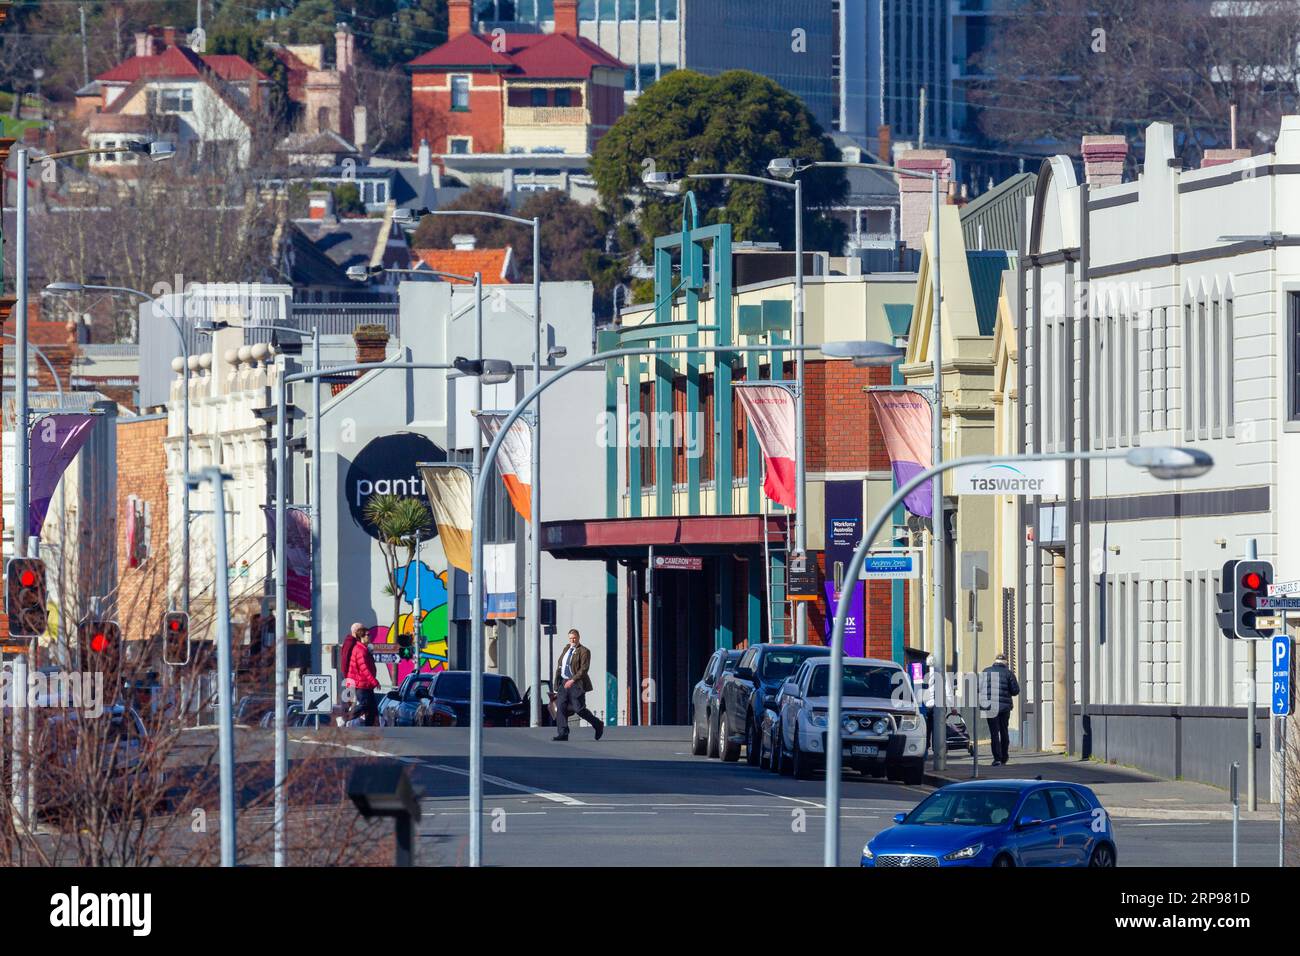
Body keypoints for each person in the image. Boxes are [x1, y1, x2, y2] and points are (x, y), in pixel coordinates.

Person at [552, 628, 603, 741]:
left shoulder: (584, 651)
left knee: (579, 709)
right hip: (564, 683)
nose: (572, 640)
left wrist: (573, 680)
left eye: (574, 638)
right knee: (560, 707)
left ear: (578, 637)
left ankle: (597, 724)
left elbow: (584, 669)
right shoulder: (566, 649)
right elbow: (560, 667)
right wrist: (557, 686)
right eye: (570, 638)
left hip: (576, 683)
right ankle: (563, 733)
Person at [981, 653, 1020, 766]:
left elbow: (979, 688)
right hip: (1004, 707)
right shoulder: (1009, 673)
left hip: (989, 707)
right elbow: (1015, 691)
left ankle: (996, 758)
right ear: (1006, 662)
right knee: (1004, 731)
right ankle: (1004, 757)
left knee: (994, 733)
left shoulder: (985, 671)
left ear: (995, 661)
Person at [347, 626, 380, 727]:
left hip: (367, 685)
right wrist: (374, 681)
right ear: (361, 637)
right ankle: (346, 717)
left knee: (372, 709)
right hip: (362, 684)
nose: (369, 637)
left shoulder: (363, 649)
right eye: (367, 635)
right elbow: (365, 669)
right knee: (364, 705)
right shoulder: (360, 651)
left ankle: (369, 730)